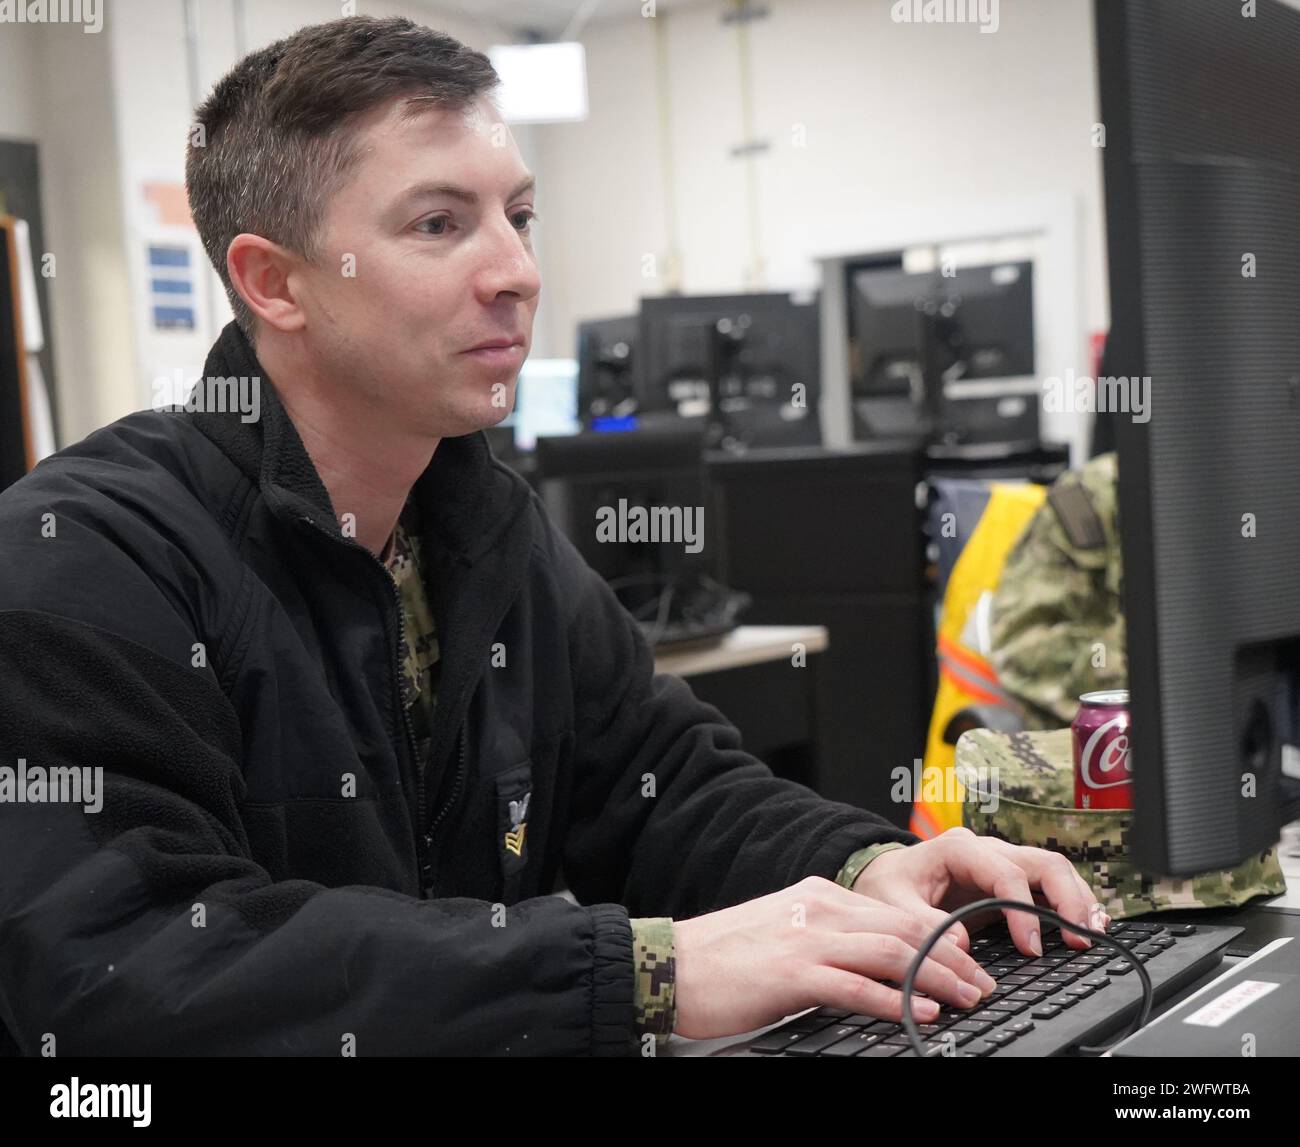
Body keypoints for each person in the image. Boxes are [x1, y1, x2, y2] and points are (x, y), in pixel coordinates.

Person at [0, 16, 1107, 1056]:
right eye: (439, 224)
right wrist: (631, 972)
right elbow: (127, 960)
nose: (516, 273)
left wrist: (869, 868)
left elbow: (660, 780)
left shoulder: (483, 522)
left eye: (517, 218)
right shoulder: (85, 556)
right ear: (273, 282)